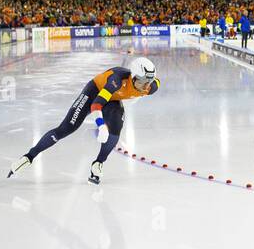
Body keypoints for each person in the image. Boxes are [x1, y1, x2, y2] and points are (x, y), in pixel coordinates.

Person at [8, 57, 160, 185]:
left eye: (149, 82)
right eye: (143, 81)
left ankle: (98, 163)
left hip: (113, 99)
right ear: (133, 77)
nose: (146, 86)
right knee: (66, 128)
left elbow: (154, 83)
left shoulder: (150, 87)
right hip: (94, 93)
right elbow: (96, 104)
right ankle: (29, 157)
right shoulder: (117, 81)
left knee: (115, 127)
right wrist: (100, 125)